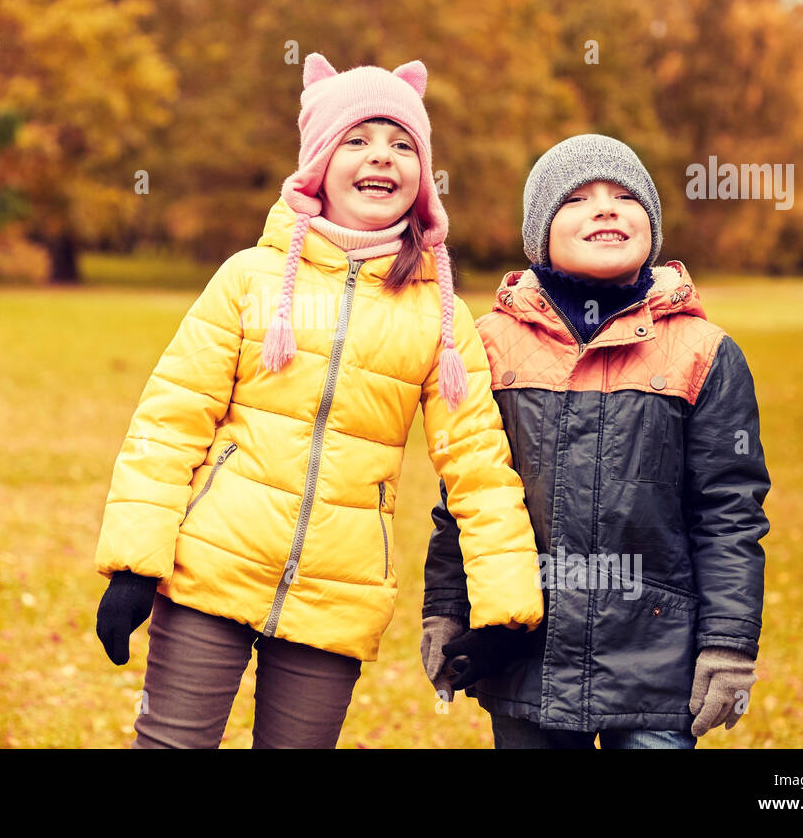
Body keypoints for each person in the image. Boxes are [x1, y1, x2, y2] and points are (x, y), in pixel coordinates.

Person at [94, 53, 543, 748]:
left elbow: (479, 467)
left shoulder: (440, 315)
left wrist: (504, 608)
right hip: (211, 566)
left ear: (423, 175)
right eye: (357, 140)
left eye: (402, 145)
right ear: (319, 160)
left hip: (340, 590)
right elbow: (171, 420)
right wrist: (133, 563)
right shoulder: (250, 278)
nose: (381, 158)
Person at [420, 133, 770, 749]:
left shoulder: (704, 353)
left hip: (660, 661)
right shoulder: (489, 347)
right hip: (528, 652)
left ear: (651, 226)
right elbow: (465, 493)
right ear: (540, 233)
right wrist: (446, 605)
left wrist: (729, 645)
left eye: (624, 196)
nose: (606, 208)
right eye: (578, 198)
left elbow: (729, 515)